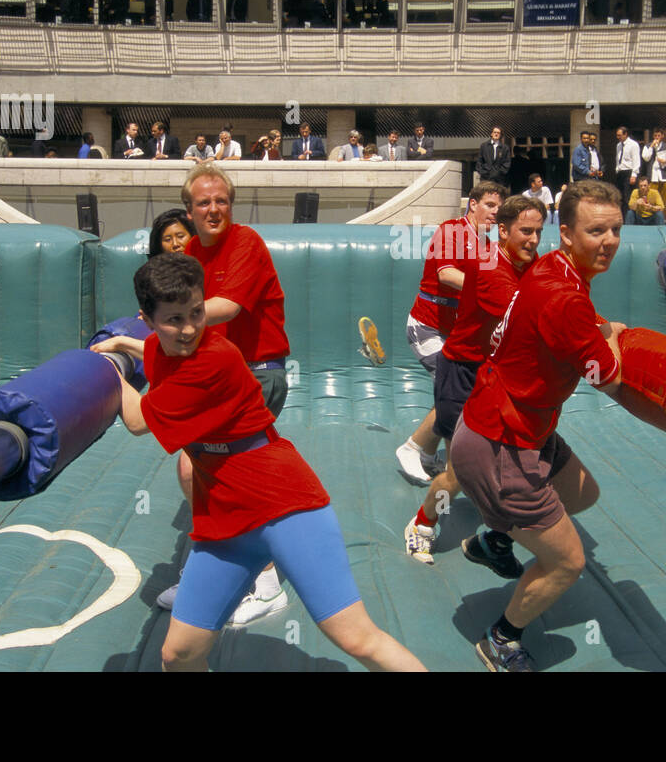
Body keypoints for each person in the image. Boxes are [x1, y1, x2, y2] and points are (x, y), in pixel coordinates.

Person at [90, 254, 426, 672]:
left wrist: (102, 371)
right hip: (225, 520)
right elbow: (156, 351)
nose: (190, 328)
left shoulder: (213, 359)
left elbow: (138, 420)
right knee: (178, 653)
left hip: (283, 506)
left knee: (358, 639)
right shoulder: (161, 345)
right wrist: (123, 344)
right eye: (174, 319)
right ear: (148, 319)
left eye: (197, 312)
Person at [449, 180, 626, 672]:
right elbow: (608, 378)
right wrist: (613, 335)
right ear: (567, 234)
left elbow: (573, 328)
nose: (609, 240)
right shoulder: (563, 296)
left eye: (615, 229)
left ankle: (494, 539)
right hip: (499, 443)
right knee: (568, 562)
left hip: (514, 427)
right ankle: (502, 639)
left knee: (583, 493)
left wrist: (597, 329)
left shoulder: (552, 267)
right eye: (596, 231)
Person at [155, 165, 295, 625]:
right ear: (189, 210)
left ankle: (266, 580)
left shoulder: (246, 243)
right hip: (219, 375)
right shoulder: (191, 251)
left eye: (221, 201)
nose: (214, 209)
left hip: (258, 374)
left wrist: (164, 326)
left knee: (212, 473)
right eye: (203, 203)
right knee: (204, 472)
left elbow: (227, 307)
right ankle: (213, 575)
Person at [404, 196, 546, 573]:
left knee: (512, 463)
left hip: (491, 374)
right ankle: (422, 524)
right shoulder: (487, 267)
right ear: (503, 230)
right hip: (461, 371)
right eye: (525, 231)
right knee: (460, 471)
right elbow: (533, 316)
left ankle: (494, 539)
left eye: (538, 232)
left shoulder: (529, 267)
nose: (533, 239)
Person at [395, 181, 507, 485]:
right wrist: (492, 290)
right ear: (473, 204)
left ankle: (427, 453)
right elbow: (446, 274)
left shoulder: (488, 246)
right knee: (456, 396)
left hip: (455, 334)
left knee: (458, 393)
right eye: (490, 205)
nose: (495, 213)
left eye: (499, 207)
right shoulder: (453, 230)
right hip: (426, 328)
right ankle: (412, 448)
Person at [641, 128, 666, 216]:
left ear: (662, 136)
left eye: (659, 135)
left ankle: (660, 218)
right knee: (651, 199)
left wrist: (665, 161)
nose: (657, 137)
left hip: (664, 177)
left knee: (662, 201)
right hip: (653, 177)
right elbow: (645, 157)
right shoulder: (648, 146)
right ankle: (650, 218)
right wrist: (652, 146)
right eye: (655, 135)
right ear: (653, 136)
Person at [613, 126, 641, 218]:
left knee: (627, 196)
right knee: (619, 196)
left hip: (629, 172)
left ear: (625, 134)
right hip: (620, 172)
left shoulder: (633, 144)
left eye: (620, 135)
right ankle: (620, 216)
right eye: (617, 135)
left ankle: (628, 218)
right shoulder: (618, 145)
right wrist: (617, 169)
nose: (618, 137)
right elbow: (618, 158)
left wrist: (634, 174)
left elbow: (636, 160)